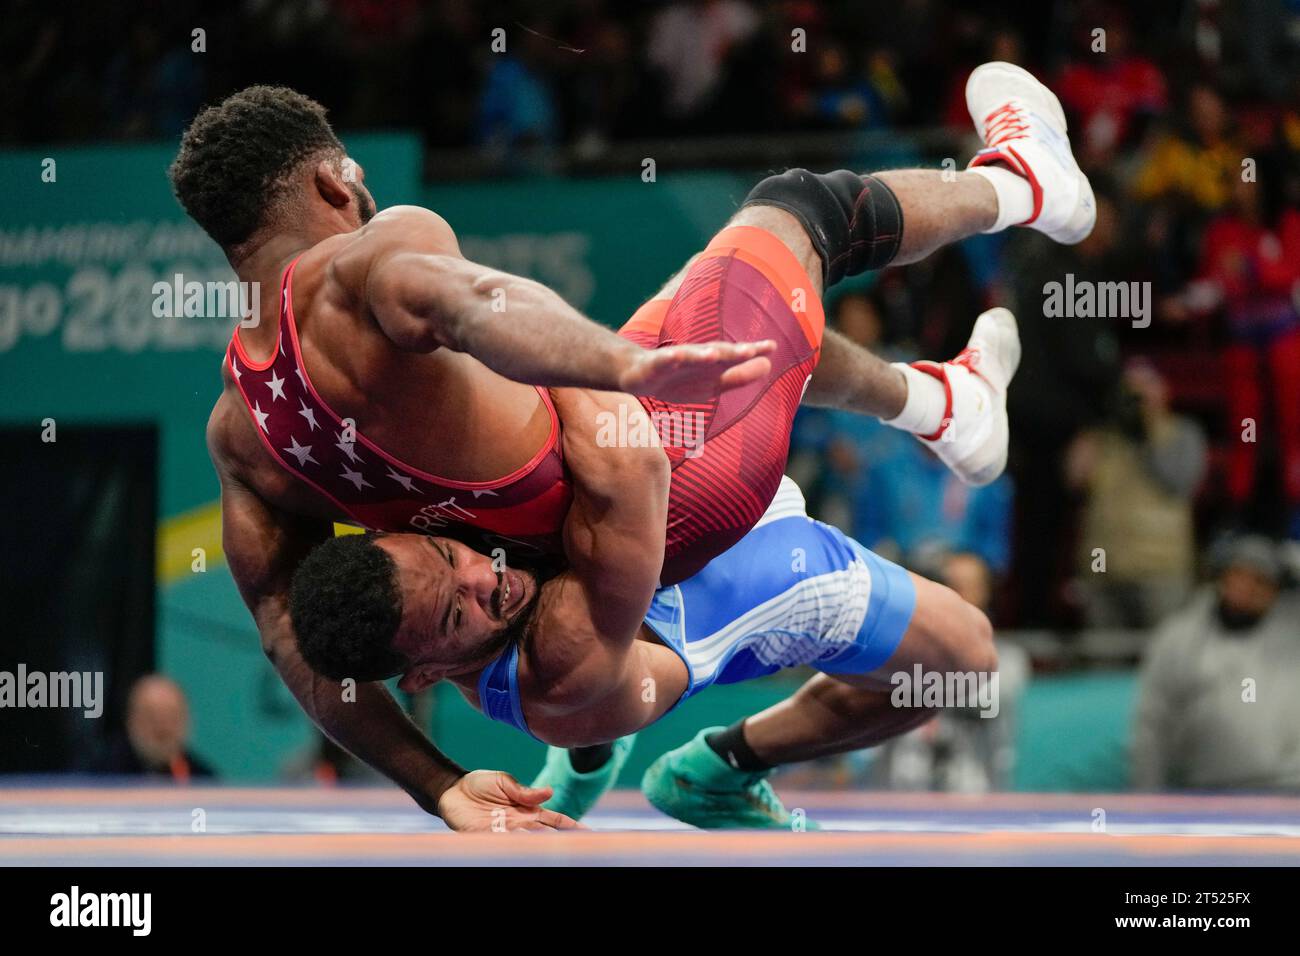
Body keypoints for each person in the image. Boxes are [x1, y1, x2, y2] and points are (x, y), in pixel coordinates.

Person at [174, 62, 1094, 830]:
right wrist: (620, 367)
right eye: (355, 181)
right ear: (333, 180)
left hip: (578, 523)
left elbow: (292, 637)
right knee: (798, 212)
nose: (365, 193)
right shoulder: (368, 256)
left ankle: (936, 403)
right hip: (657, 481)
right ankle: (1024, 183)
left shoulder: (242, 434)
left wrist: (440, 784)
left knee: (740, 334)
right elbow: (477, 304)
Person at [292, 470, 1002, 829]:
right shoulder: (566, 670)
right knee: (965, 669)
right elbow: (633, 465)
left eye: (453, 553)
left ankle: (595, 763)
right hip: (777, 576)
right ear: (424, 675)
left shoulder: (420, 552)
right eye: (456, 609)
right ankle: (715, 768)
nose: (486, 575)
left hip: (690, 566)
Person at [1131, 536, 1300, 792]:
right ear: (1222, 578)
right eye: (1239, 575)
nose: (1247, 588)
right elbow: (1152, 723)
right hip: (1209, 790)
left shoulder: (1291, 636)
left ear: (1275, 591)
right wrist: (1145, 793)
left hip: (1286, 787)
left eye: (1261, 581)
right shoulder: (1180, 639)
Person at [89, 675, 216, 782]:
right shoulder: (99, 775)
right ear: (131, 720)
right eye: (151, 717)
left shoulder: (202, 780)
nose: (162, 727)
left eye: (171, 717)